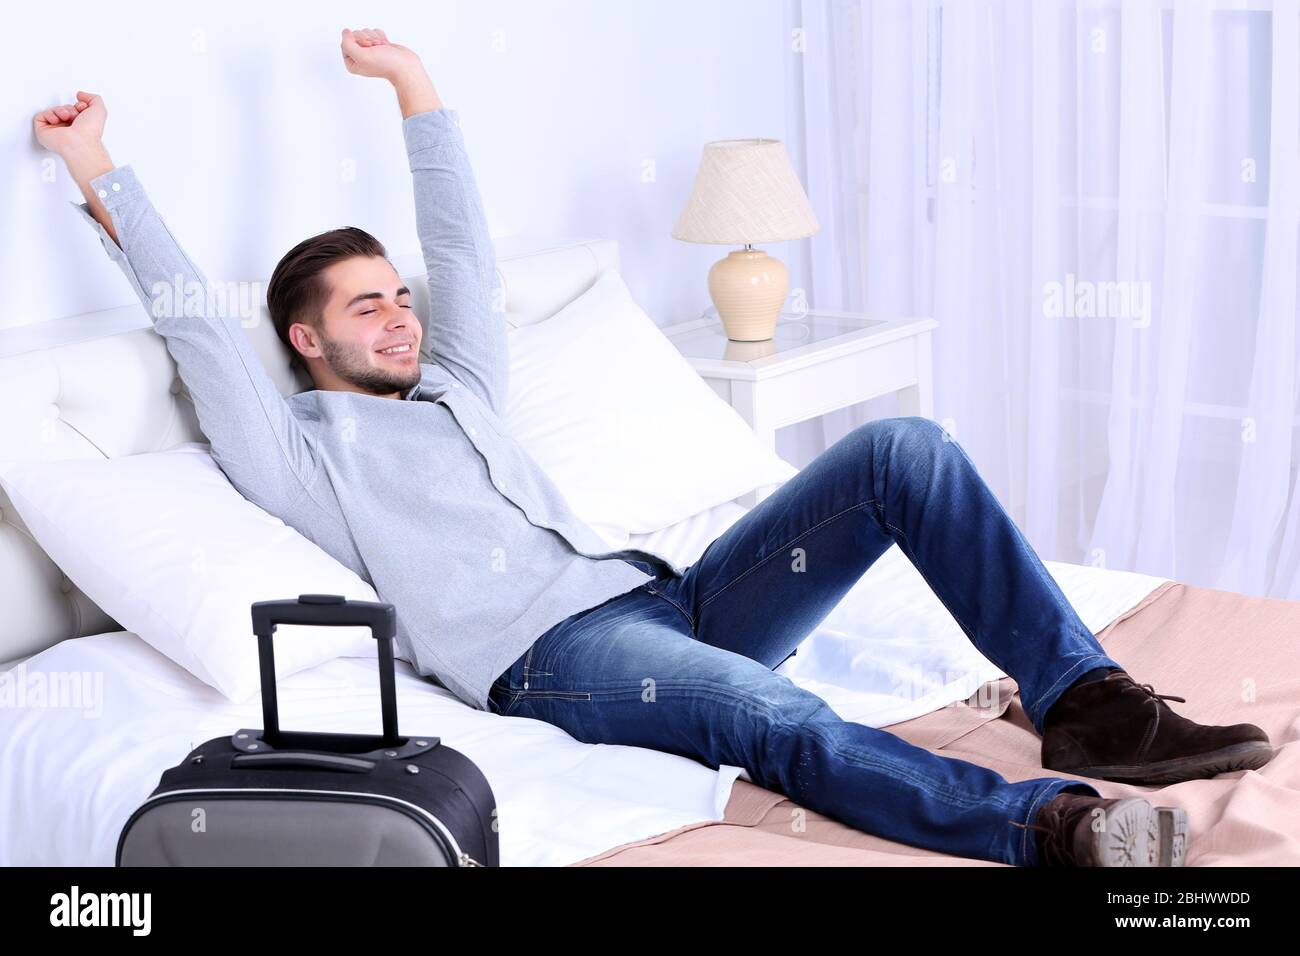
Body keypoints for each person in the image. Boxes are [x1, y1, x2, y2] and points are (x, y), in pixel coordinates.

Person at [35, 27, 1273, 868]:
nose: (401, 311)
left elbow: (460, 251)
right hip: (561, 660)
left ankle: (1085, 699)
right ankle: (1049, 827)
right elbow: (192, 321)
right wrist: (103, 173)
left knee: (904, 446)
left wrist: (416, 88)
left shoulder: (458, 378)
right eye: (367, 305)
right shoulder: (298, 448)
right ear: (305, 340)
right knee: (773, 714)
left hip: (670, 594)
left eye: (395, 295)